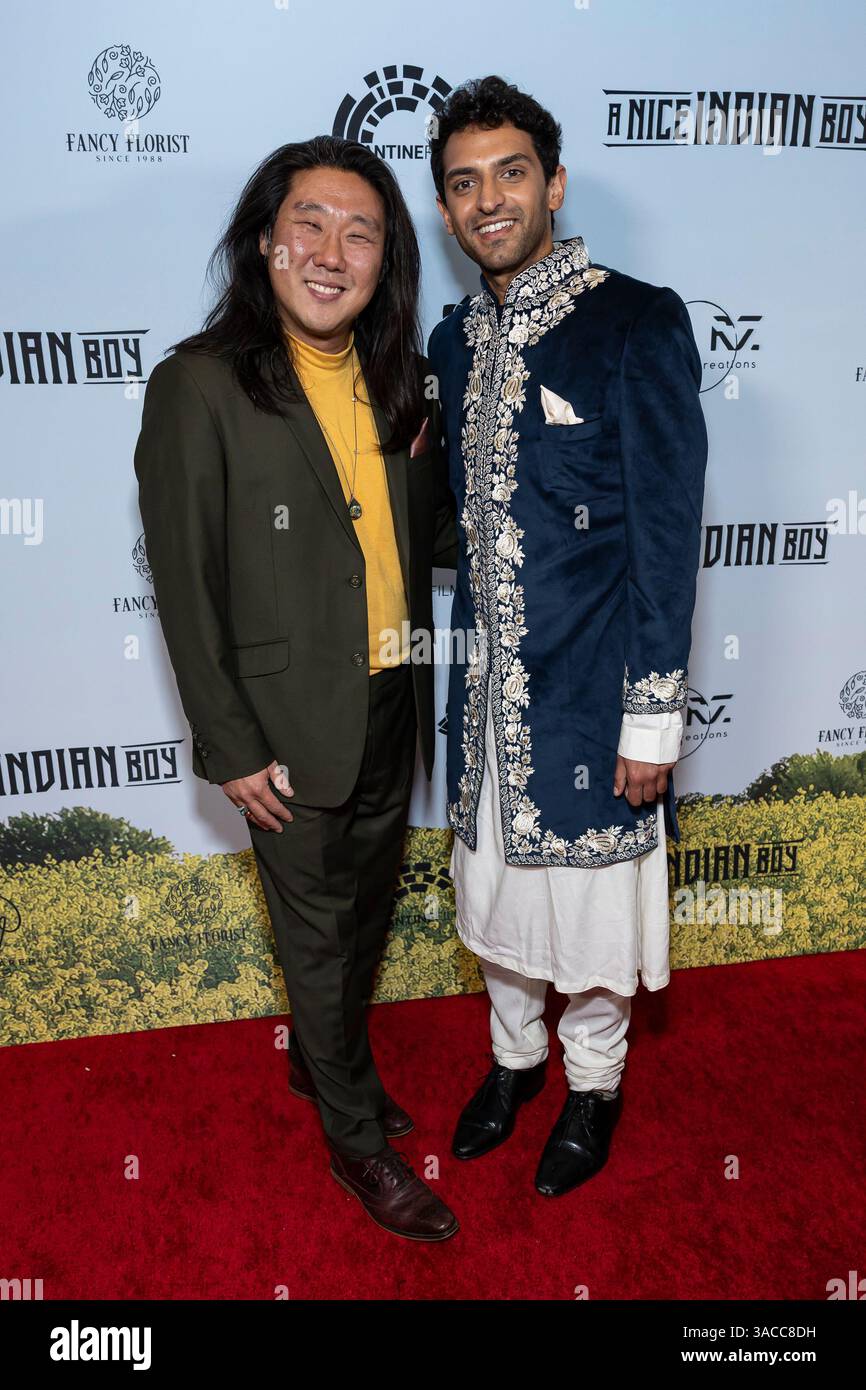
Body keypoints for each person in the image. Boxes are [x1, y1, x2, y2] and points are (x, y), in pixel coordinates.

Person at [134, 136, 459, 1241]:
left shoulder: (400, 382)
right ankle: (356, 1143)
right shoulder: (198, 384)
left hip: (386, 702)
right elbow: (186, 583)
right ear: (264, 239)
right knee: (318, 933)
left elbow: (425, 536)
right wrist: (227, 743)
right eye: (308, 224)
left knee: (362, 913)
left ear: (386, 257)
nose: (331, 251)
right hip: (282, 723)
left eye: (359, 231)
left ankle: (324, 1069)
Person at [427, 77, 708, 1196]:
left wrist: (653, 717)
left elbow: (665, 530)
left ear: (551, 182)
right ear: (445, 209)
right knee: (495, 898)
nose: (486, 199)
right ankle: (512, 1061)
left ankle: (592, 1083)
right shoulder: (451, 343)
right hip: (482, 695)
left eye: (507, 173)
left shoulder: (634, 321)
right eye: (461, 182)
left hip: (596, 694)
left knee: (588, 915)